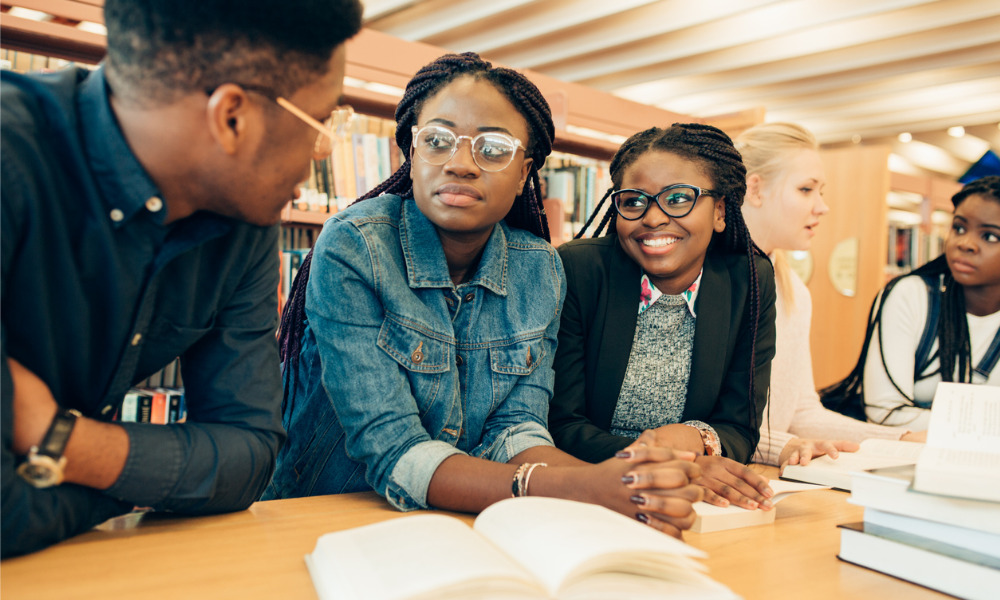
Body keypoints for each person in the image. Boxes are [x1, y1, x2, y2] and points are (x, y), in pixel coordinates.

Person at [266, 53, 704, 538]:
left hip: (460, 527)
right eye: (437, 141)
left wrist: (618, 481)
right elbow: (394, 449)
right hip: (328, 521)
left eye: (493, 149)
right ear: (411, 154)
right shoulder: (355, 246)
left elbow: (516, 429)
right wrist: (582, 488)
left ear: (524, 173)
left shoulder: (540, 268)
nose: (460, 164)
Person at [0, 0, 363, 558]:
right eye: (324, 119)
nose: (322, 149)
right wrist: (149, 484)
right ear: (232, 118)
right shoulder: (12, 163)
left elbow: (249, 454)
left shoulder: (242, 219)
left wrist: (64, 445)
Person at [549, 123, 779, 510]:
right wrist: (676, 466)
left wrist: (693, 441)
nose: (653, 218)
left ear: (720, 210)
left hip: (694, 504)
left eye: (677, 199)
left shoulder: (749, 280)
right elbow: (562, 425)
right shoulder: (579, 271)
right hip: (590, 490)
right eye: (634, 201)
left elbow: (740, 427)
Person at [736, 122, 926, 469]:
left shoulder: (794, 291)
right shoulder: (706, 282)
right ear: (755, 189)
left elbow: (802, 412)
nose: (822, 207)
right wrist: (785, 445)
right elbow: (699, 423)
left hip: (767, 479)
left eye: (820, 191)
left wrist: (903, 439)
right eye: (806, 189)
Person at [864, 175, 1000, 428]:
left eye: (990, 237)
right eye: (959, 228)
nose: (965, 243)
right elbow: (884, 411)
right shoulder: (911, 296)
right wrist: (987, 426)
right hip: (903, 459)